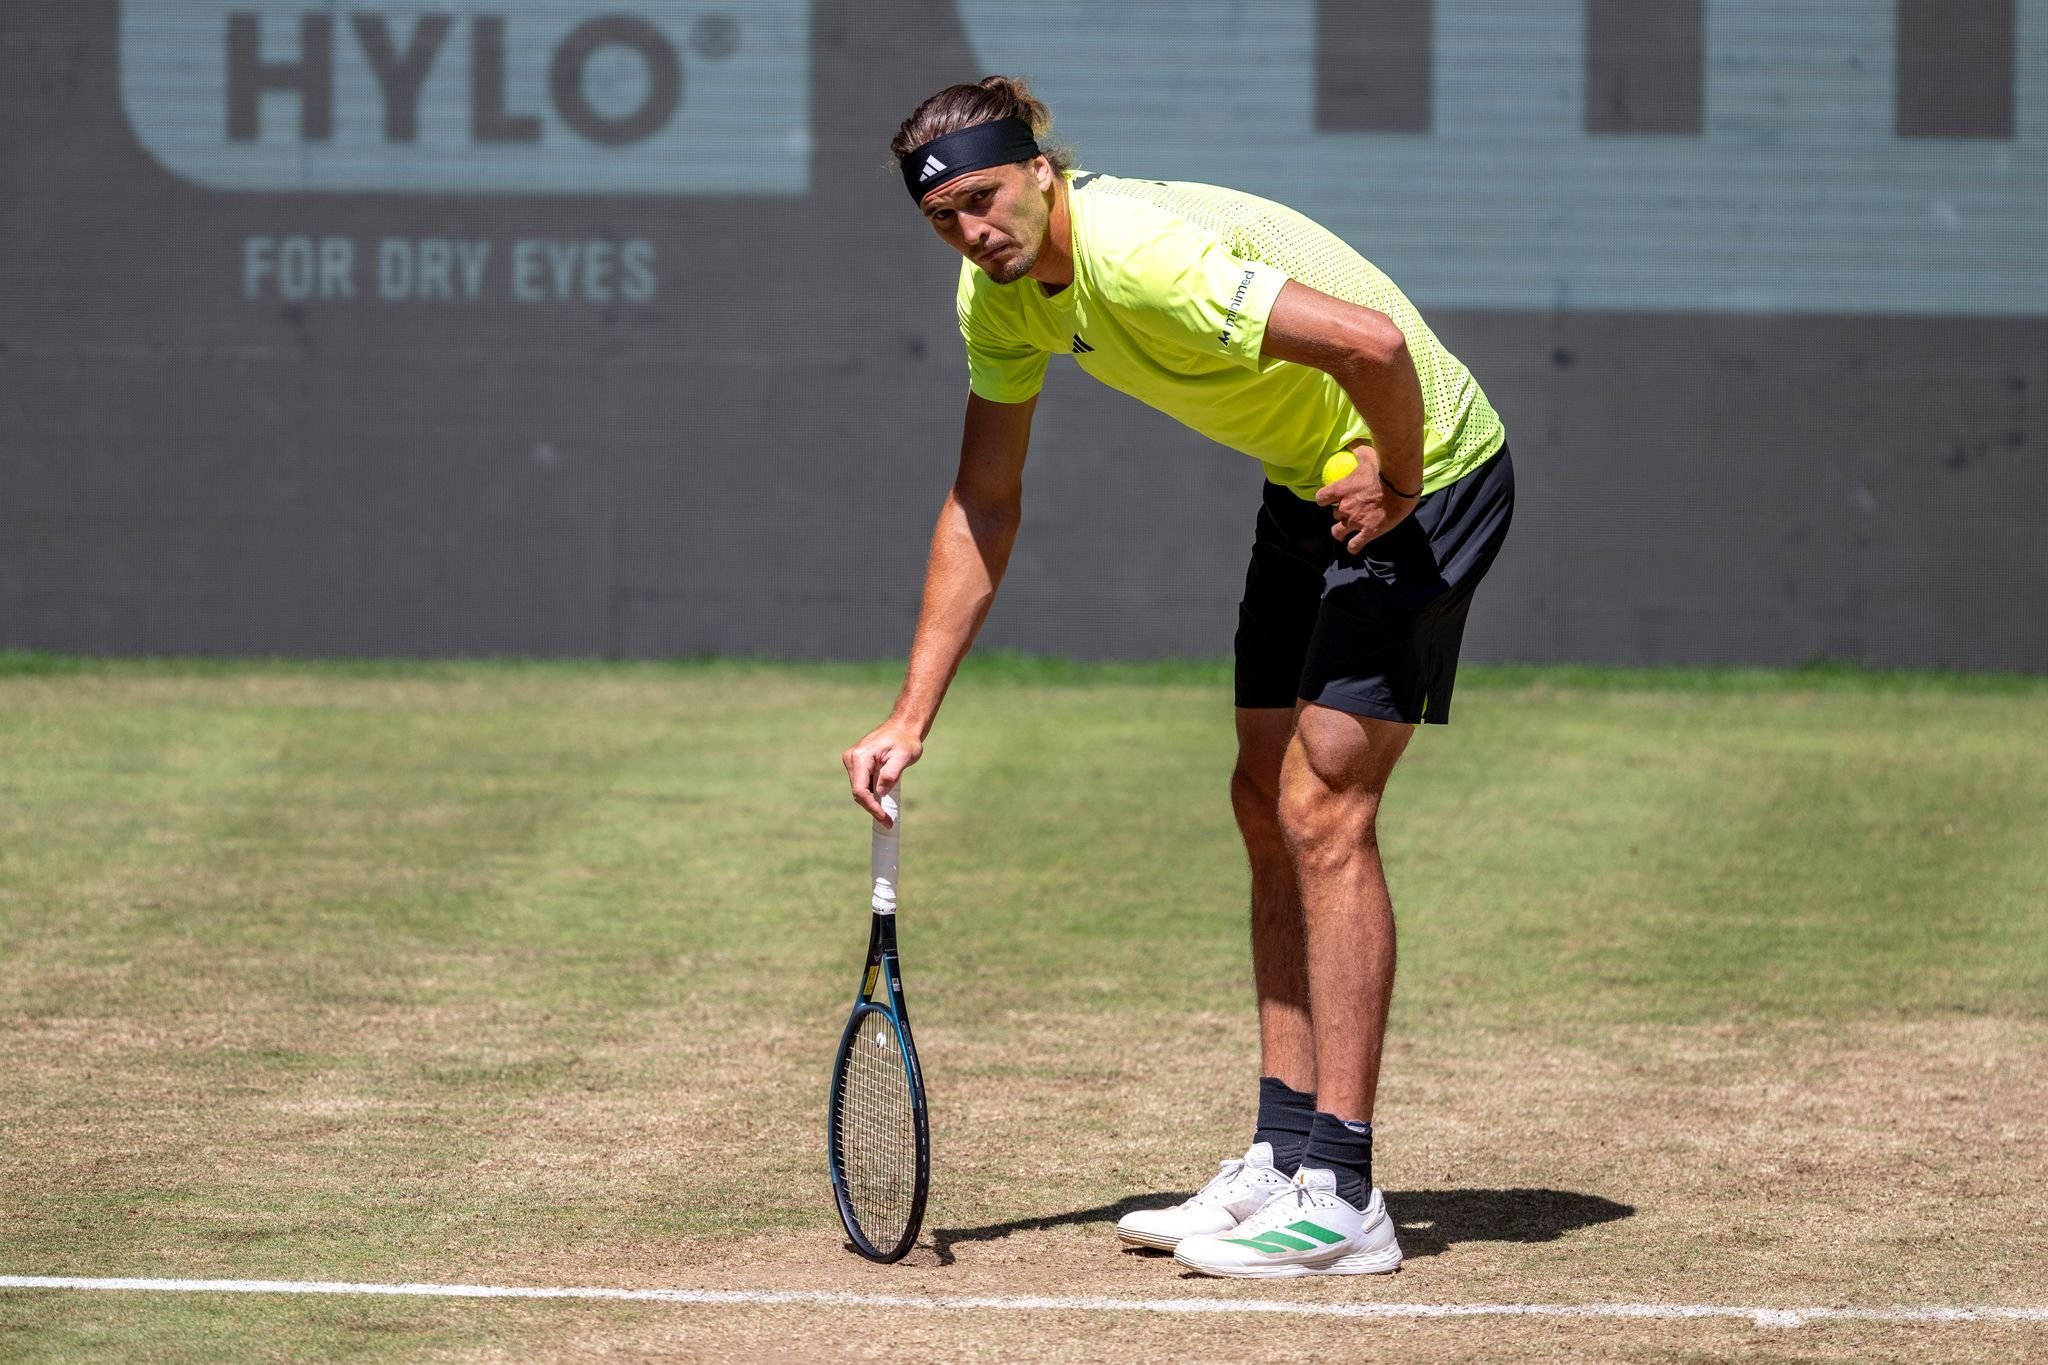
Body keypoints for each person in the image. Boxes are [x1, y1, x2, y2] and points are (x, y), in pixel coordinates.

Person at [840, 75, 1513, 1279]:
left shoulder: (1140, 253)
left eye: (986, 201)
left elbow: (1372, 344)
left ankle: (1346, 1194)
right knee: (1261, 801)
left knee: (1322, 808)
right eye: (942, 219)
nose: (971, 232)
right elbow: (983, 501)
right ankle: (1282, 1156)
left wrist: (1399, 480)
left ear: (1041, 170)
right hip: (1308, 477)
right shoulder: (998, 300)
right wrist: (909, 715)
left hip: (1430, 464)